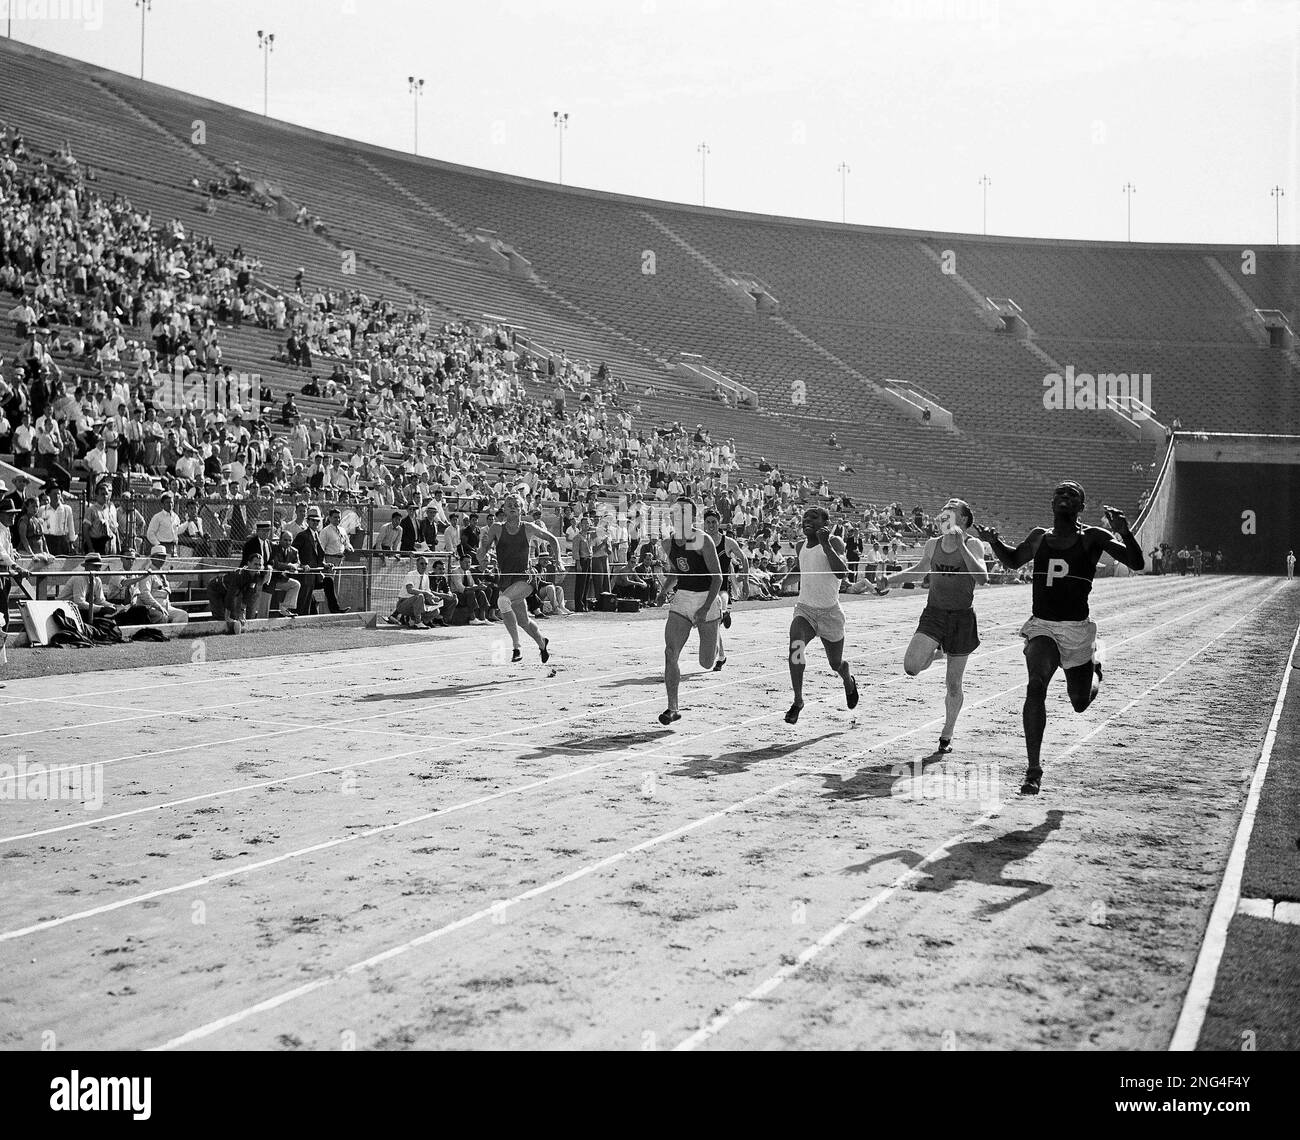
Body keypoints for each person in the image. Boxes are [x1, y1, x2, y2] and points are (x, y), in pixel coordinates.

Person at [974, 480, 1144, 796]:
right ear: (1052, 504)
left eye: (1072, 495)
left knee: (1080, 702)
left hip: (1076, 630)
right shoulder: (1040, 538)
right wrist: (995, 543)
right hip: (1043, 626)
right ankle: (1033, 770)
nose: (1064, 497)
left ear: (1081, 507)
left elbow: (1137, 562)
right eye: (1059, 493)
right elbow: (1013, 561)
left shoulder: (1094, 536)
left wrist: (1124, 531)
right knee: (1035, 685)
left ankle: (1094, 669)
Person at [878, 498, 987, 753]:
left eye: (951, 509)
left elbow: (981, 577)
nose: (944, 513)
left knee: (953, 684)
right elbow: (919, 571)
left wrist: (961, 546)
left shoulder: (973, 544)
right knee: (911, 667)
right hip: (934, 613)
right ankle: (938, 652)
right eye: (943, 510)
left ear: (962, 519)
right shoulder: (932, 544)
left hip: (961, 618)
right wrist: (889, 580)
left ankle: (946, 735)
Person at [779, 505, 859, 724]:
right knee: (795, 646)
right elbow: (799, 569)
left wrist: (825, 544)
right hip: (805, 610)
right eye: (804, 516)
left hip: (830, 613)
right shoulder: (799, 545)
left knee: (835, 664)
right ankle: (798, 701)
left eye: (813, 517)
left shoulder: (834, 542)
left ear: (825, 523)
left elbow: (842, 572)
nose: (807, 519)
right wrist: (783, 581)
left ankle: (848, 680)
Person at [656, 497, 723, 725]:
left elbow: (717, 578)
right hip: (683, 597)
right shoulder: (668, 544)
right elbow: (677, 571)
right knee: (670, 652)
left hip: (707, 597)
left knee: (706, 662)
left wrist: (706, 609)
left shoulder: (703, 541)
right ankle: (672, 707)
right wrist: (663, 591)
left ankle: (715, 628)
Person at [476, 495, 561, 663]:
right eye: (509, 505)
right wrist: (482, 553)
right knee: (524, 622)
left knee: (502, 601)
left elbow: (552, 539)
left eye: (516, 505)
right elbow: (481, 554)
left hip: (525, 577)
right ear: (504, 509)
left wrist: (558, 560)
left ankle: (517, 647)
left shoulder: (528, 527)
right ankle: (542, 642)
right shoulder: (496, 528)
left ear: (522, 509)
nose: (513, 507)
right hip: (507, 580)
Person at [701, 508, 750, 671]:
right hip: (705, 588)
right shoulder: (699, 541)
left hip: (722, 587)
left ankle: (724, 612)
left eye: (714, 522)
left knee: (717, 612)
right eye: (708, 522)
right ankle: (721, 656)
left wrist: (746, 582)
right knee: (711, 624)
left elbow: (743, 559)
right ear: (704, 524)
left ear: (719, 522)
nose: (711, 525)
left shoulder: (727, 542)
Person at [207, 550, 270, 634]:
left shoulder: (256, 575)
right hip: (215, 589)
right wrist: (227, 616)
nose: (258, 567)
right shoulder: (239, 576)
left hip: (228, 592)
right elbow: (230, 596)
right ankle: (208, 630)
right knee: (222, 617)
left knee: (234, 617)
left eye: (260, 565)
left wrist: (242, 613)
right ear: (249, 564)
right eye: (255, 564)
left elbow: (248, 594)